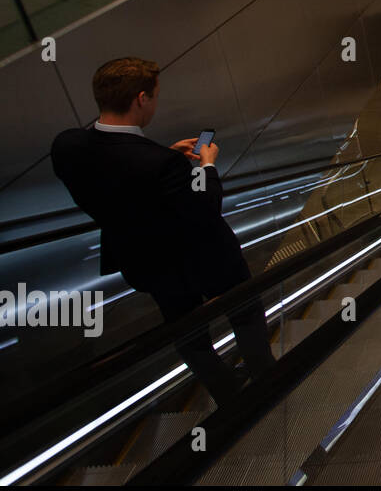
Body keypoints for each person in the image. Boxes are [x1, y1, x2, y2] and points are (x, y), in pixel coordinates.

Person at [49, 57, 276, 406]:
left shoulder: (68, 146)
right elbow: (204, 207)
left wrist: (162, 160)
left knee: (187, 330)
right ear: (141, 98)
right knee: (244, 310)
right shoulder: (158, 164)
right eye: (155, 96)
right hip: (205, 257)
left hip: (146, 262)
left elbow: (117, 178)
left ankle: (229, 395)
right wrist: (207, 165)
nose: (155, 102)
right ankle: (265, 382)